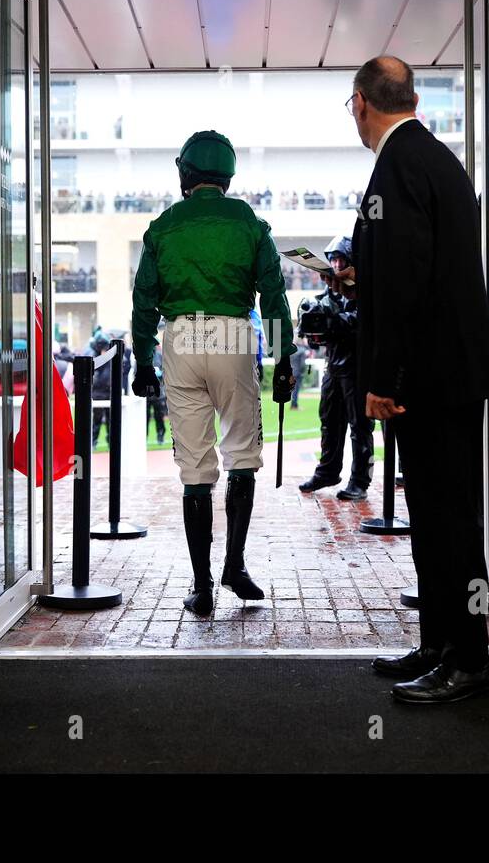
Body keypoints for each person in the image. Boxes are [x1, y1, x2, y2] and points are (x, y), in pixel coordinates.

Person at [342, 57, 489, 703]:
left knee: (448, 524)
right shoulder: (435, 158)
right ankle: (441, 644)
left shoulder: (399, 164)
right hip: (450, 373)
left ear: (361, 103)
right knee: (438, 519)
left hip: (430, 379)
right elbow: (419, 266)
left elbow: (408, 278)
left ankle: (469, 660)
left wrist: (385, 377)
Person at [130, 130, 296, 616]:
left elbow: (143, 299)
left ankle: (201, 585)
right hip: (233, 336)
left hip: (179, 338)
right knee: (242, 456)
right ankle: (235, 565)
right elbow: (274, 295)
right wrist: (283, 358)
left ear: (185, 173)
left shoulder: (162, 226)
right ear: (227, 175)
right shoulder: (249, 223)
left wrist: (143, 359)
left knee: (195, 467)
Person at [298, 233, 372, 500]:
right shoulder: (326, 295)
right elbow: (319, 331)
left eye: (341, 260)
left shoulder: (362, 291)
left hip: (356, 367)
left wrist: (333, 322)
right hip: (333, 365)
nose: (337, 266)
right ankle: (328, 471)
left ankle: (360, 480)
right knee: (329, 421)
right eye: (333, 261)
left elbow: (359, 322)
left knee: (359, 426)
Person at [288, 340, 308, 408]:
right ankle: (294, 405)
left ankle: (293, 404)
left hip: (290, 371)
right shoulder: (302, 351)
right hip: (297, 372)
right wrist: (302, 372)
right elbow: (303, 364)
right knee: (296, 389)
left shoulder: (290, 350)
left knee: (292, 389)